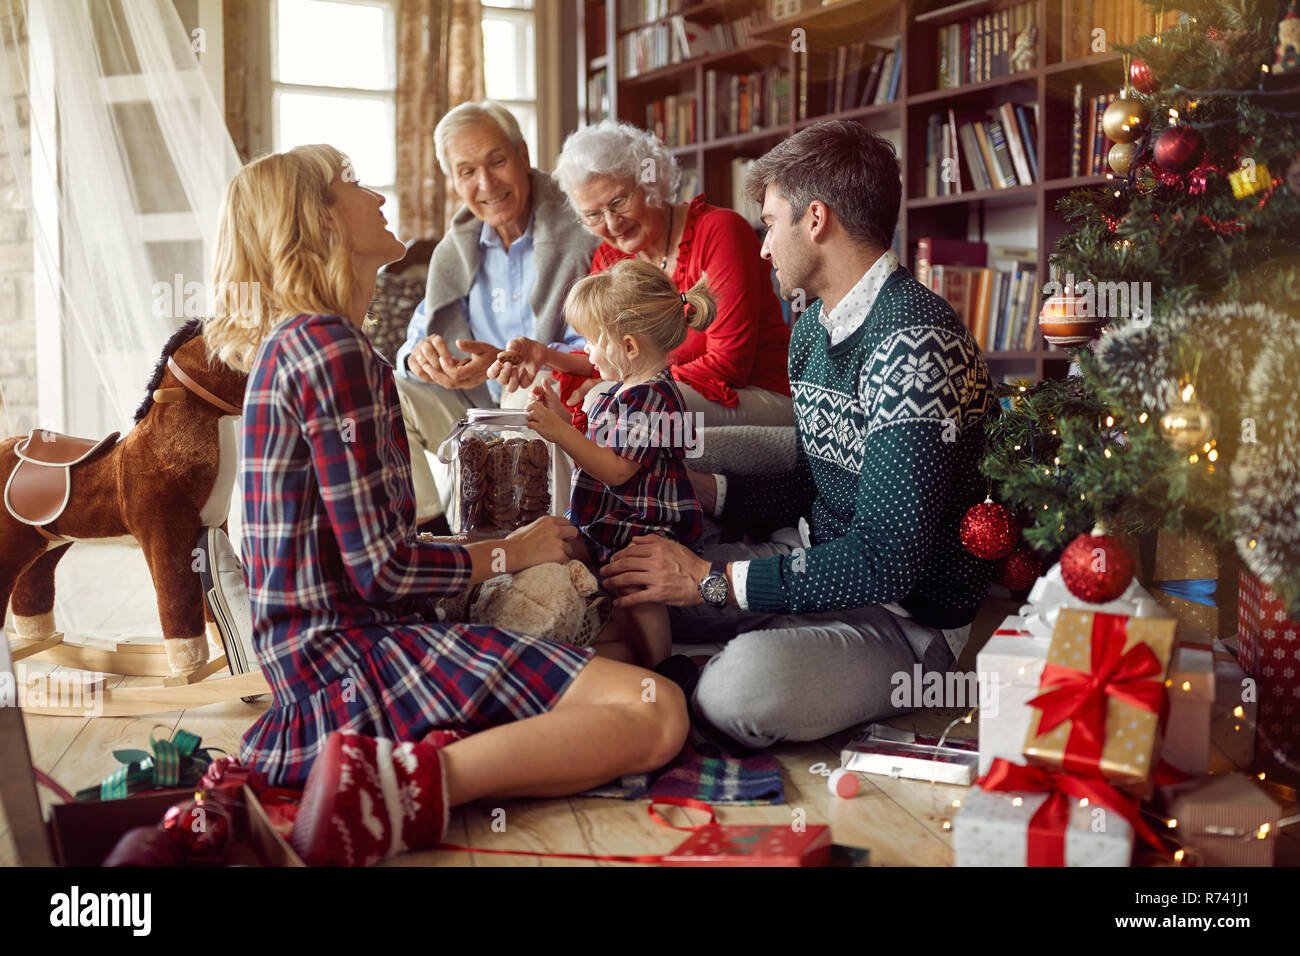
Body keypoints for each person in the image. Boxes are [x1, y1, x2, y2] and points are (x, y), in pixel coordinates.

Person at [203, 144, 687, 866]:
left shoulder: (301, 341)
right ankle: (396, 787)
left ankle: (409, 760)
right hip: (347, 666)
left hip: (314, 664)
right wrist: (513, 551)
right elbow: (384, 571)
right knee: (656, 711)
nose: (379, 198)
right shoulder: (332, 348)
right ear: (321, 223)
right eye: (355, 186)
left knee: (601, 655)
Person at [599, 121, 998, 751]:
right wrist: (711, 491)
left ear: (816, 220)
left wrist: (709, 579)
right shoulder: (813, 329)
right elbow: (814, 479)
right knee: (630, 590)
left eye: (769, 223)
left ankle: (721, 669)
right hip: (810, 556)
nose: (762, 248)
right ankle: (726, 654)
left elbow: (888, 559)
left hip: (905, 620)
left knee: (739, 691)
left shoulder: (914, 341)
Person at [489, 120, 793, 429]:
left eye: (619, 201)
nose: (612, 223)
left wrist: (617, 387)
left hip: (752, 394)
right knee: (531, 393)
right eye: (593, 214)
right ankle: (574, 478)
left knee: (610, 404)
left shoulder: (720, 231)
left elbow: (727, 366)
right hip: (666, 386)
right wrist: (545, 355)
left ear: (650, 183)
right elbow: (607, 355)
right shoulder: (610, 257)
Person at [393, 101, 600, 523]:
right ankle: (433, 534)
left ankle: (538, 539)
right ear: (453, 181)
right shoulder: (456, 249)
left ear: (523, 156)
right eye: (467, 171)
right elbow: (416, 339)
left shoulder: (581, 230)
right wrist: (421, 359)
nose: (486, 182)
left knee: (529, 386)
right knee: (388, 391)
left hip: (548, 401)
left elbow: (601, 343)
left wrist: (506, 364)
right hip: (471, 412)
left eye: (497, 161)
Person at [524, 260, 715, 667]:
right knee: (561, 547)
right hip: (610, 516)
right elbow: (600, 442)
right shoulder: (622, 391)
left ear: (629, 346)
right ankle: (597, 640)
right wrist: (562, 418)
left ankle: (663, 667)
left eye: (592, 341)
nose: (587, 353)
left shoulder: (650, 397)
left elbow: (616, 469)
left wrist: (561, 435)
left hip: (640, 524)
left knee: (638, 588)